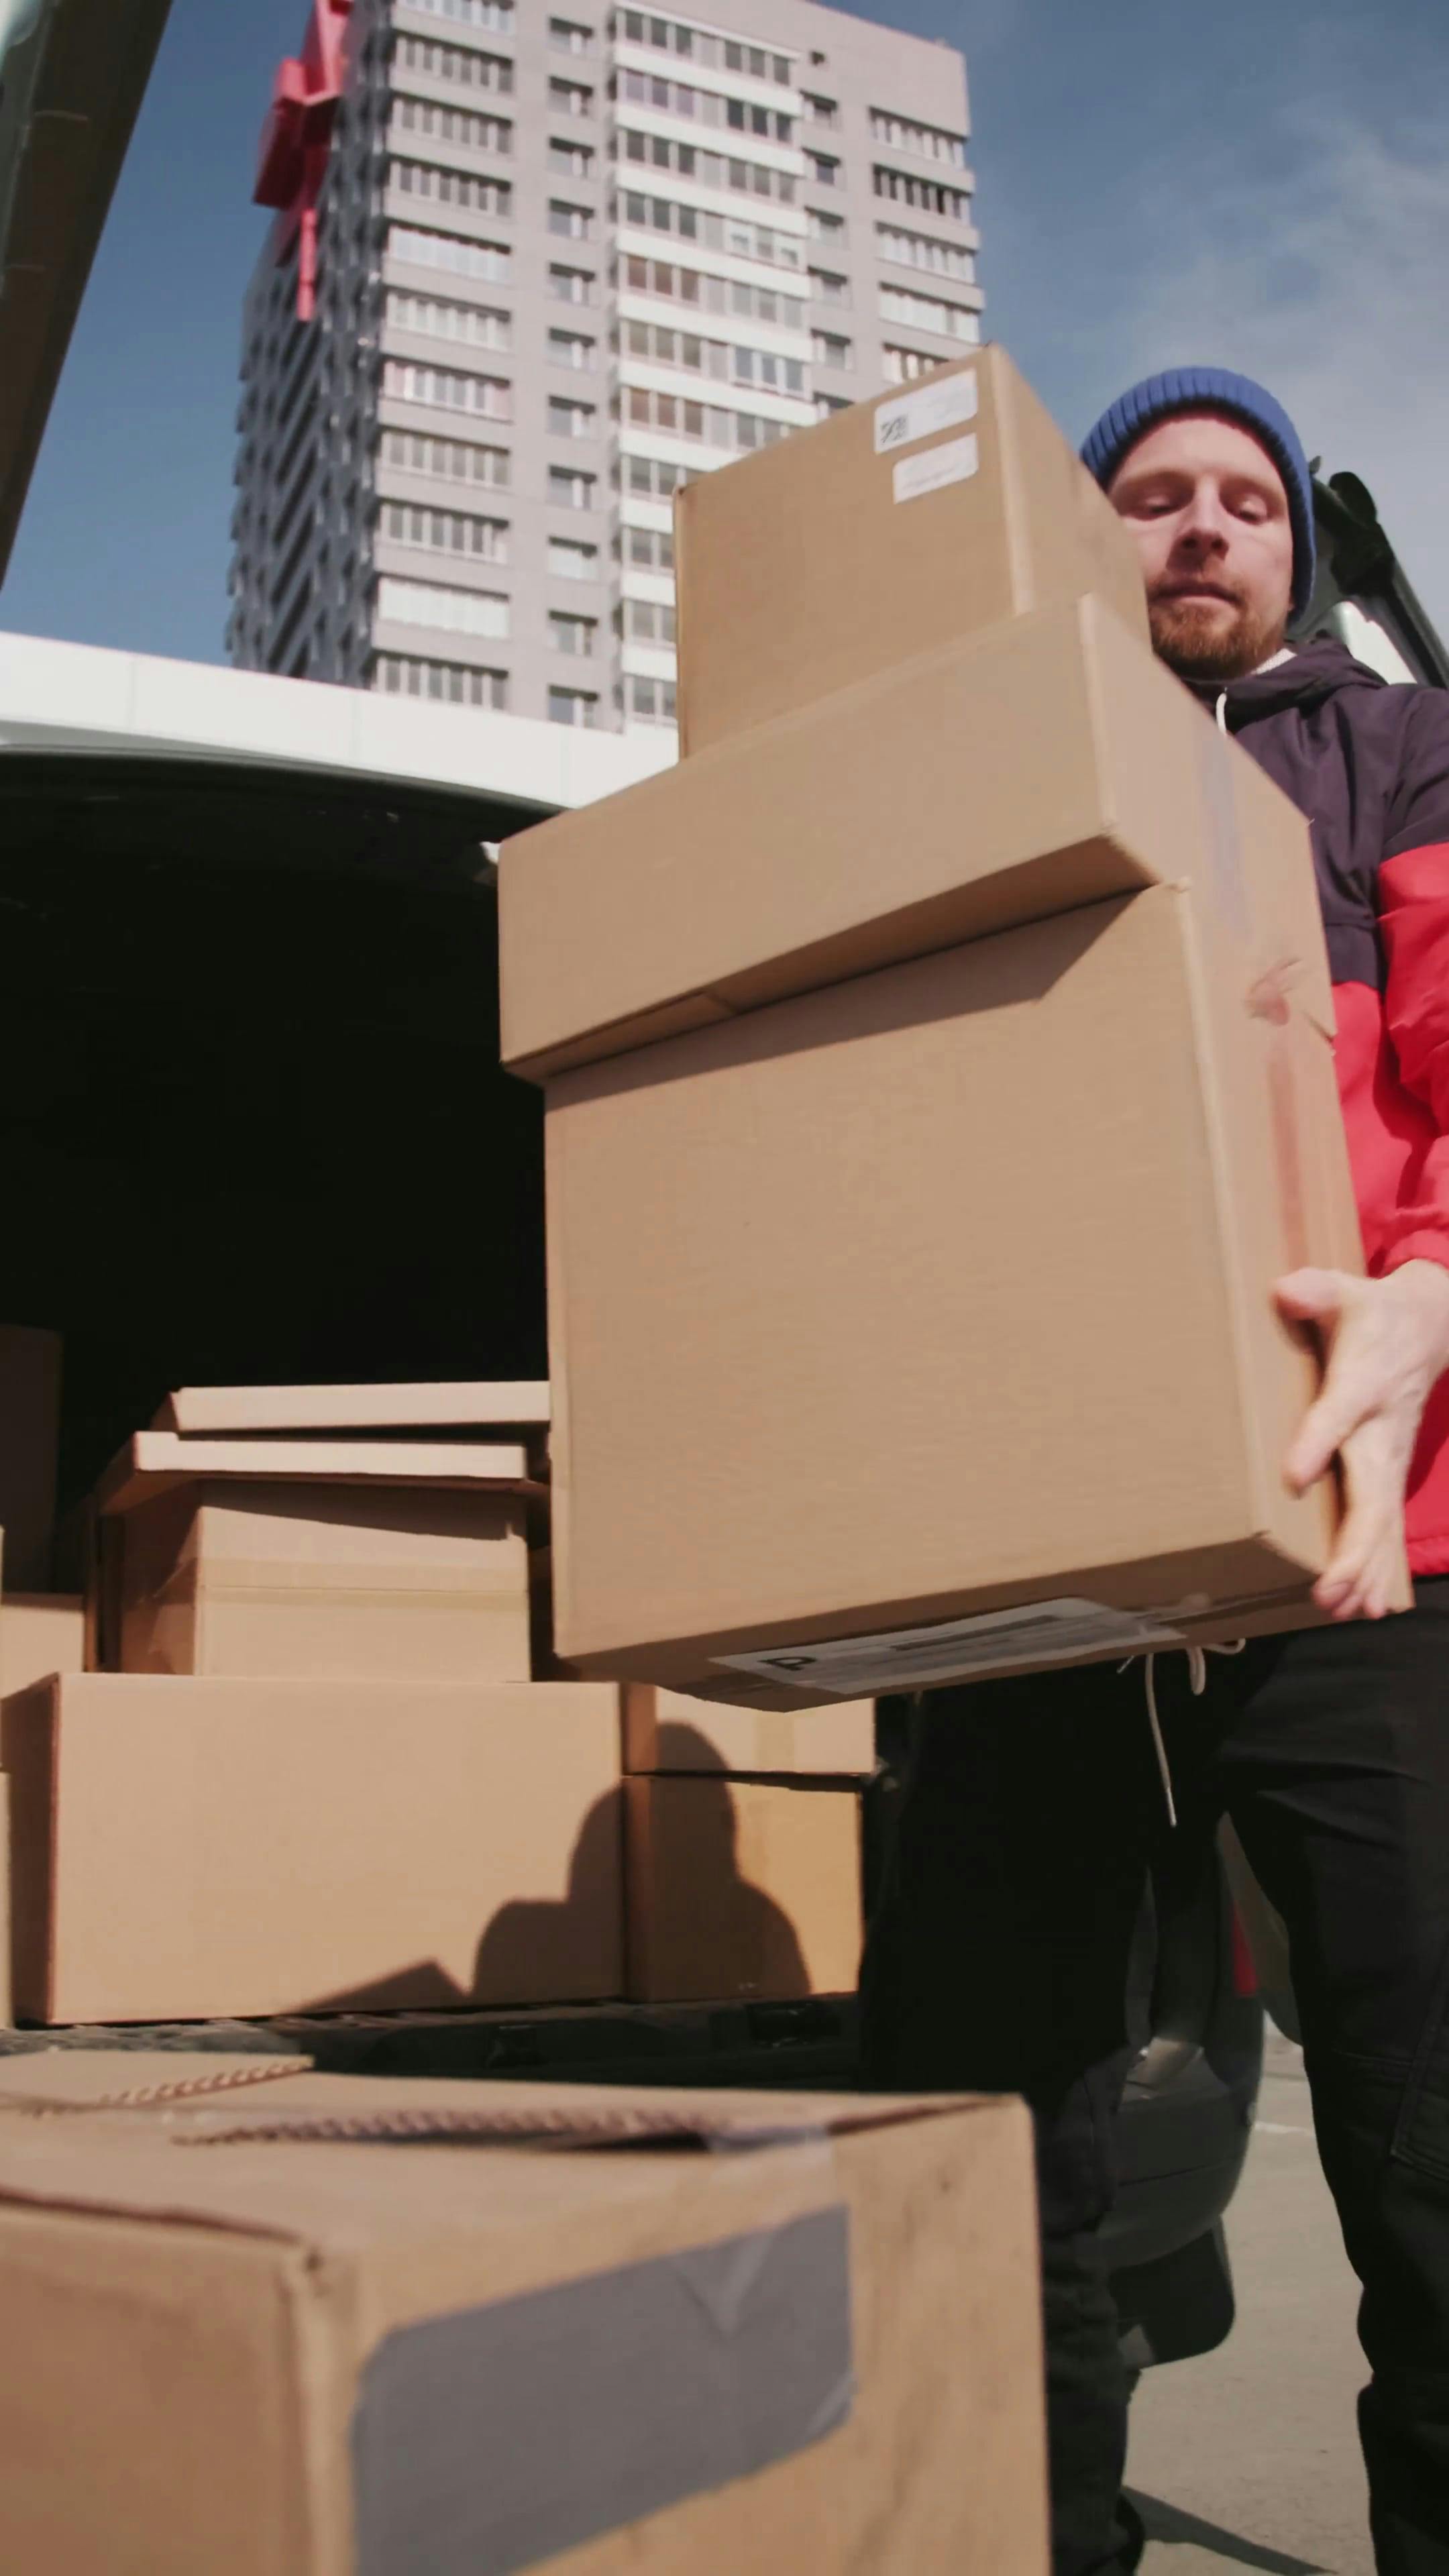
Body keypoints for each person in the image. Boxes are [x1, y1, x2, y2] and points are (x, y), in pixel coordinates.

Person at [860, 366, 1449, 2576]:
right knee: (999, 2147)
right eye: (1151, 496)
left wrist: (1435, 1290)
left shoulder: (1399, 752)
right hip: (1043, 1566)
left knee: (1424, 2142)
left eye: (1245, 501)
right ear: (1080, 532)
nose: (1202, 529)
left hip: (1372, 1539)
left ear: (1294, 550)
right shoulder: (978, 746)